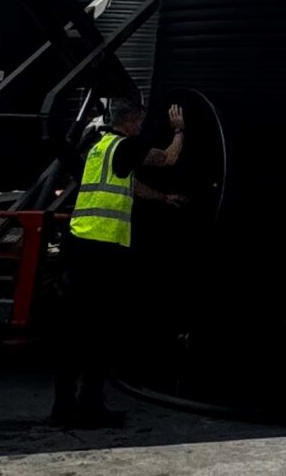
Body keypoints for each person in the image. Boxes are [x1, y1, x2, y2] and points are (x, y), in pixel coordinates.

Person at [51, 99, 186, 428]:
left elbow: (128, 184)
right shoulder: (128, 146)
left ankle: (63, 407)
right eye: (140, 121)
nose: (141, 126)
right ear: (133, 121)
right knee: (99, 329)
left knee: (72, 330)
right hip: (103, 251)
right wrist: (179, 129)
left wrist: (163, 198)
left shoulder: (98, 148)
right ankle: (91, 408)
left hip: (76, 246)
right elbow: (168, 158)